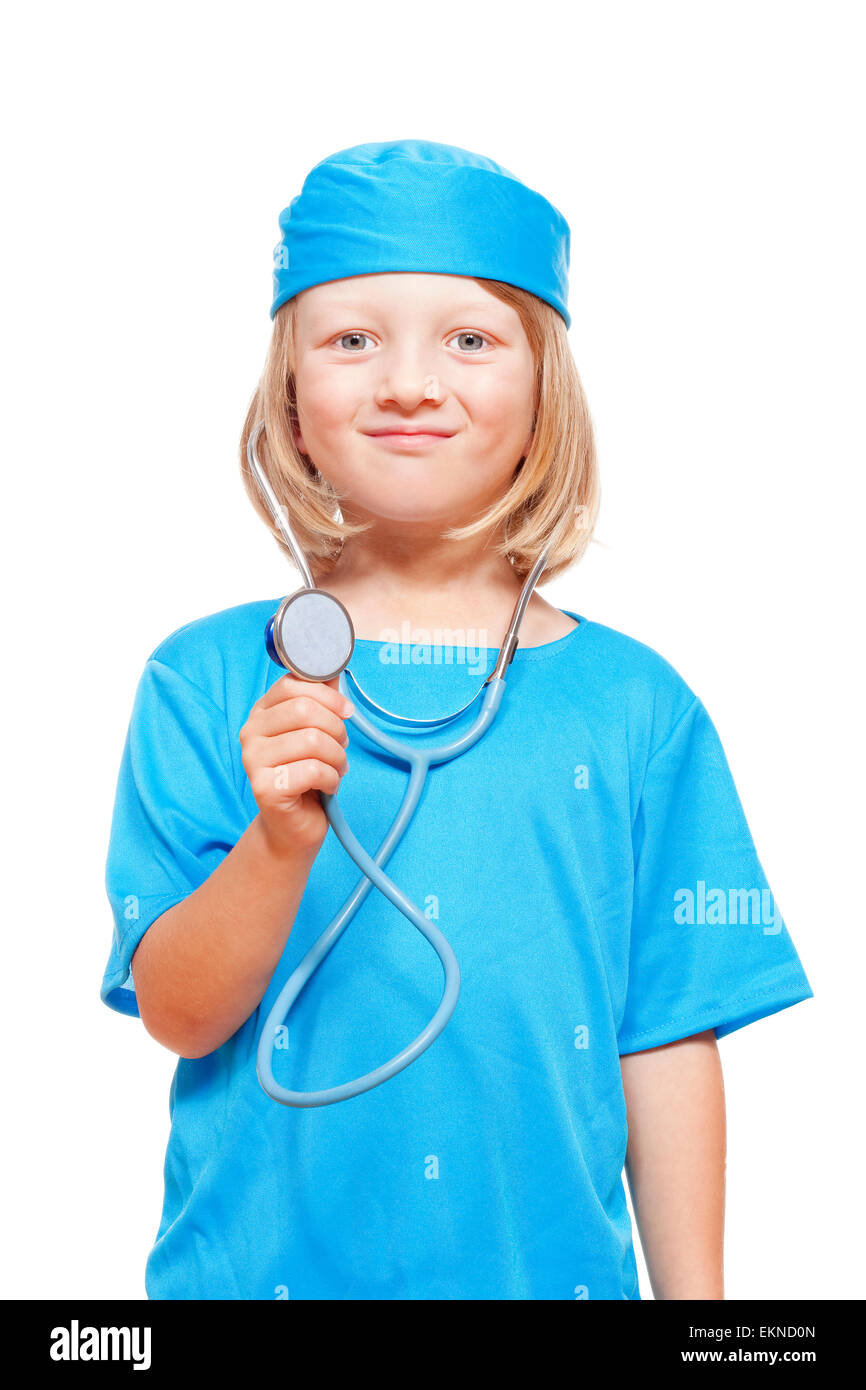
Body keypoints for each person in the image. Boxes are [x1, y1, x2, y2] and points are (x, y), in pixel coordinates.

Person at [100, 139, 813, 1301]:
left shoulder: (636, 706)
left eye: (470, 339)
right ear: (290, 390)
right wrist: (279, 841)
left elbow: (666, 1033)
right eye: (350, 340)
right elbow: (177, 1012)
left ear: (544, 389)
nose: (407, 383)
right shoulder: (204, 678)